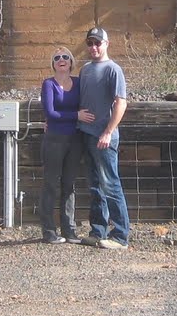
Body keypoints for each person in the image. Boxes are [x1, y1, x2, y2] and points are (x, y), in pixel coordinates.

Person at [75, 26, 130, 249]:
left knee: (111, 184)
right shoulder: (85, 70)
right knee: (96, 185)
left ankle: (120, 236)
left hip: (104, 138)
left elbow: (121, 103)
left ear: (106, 44)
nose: (94, 47)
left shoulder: (113, 70)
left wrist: (108, 132)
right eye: (90, 43)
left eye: (98, 43)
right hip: (87, 135)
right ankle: (98, 231)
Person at [37, 47, 82, 244]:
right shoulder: (49, 84)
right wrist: (76, 116)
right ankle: (48, 231)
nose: (61, 60)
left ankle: (69, 229)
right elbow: (51, 113)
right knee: (51, 184)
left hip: (75, 139)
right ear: (53, 64)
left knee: (69, 184)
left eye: (66, 57)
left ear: (71, 63)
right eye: (57, 58)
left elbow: (87, 104)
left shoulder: (79, 83)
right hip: (54, 139)